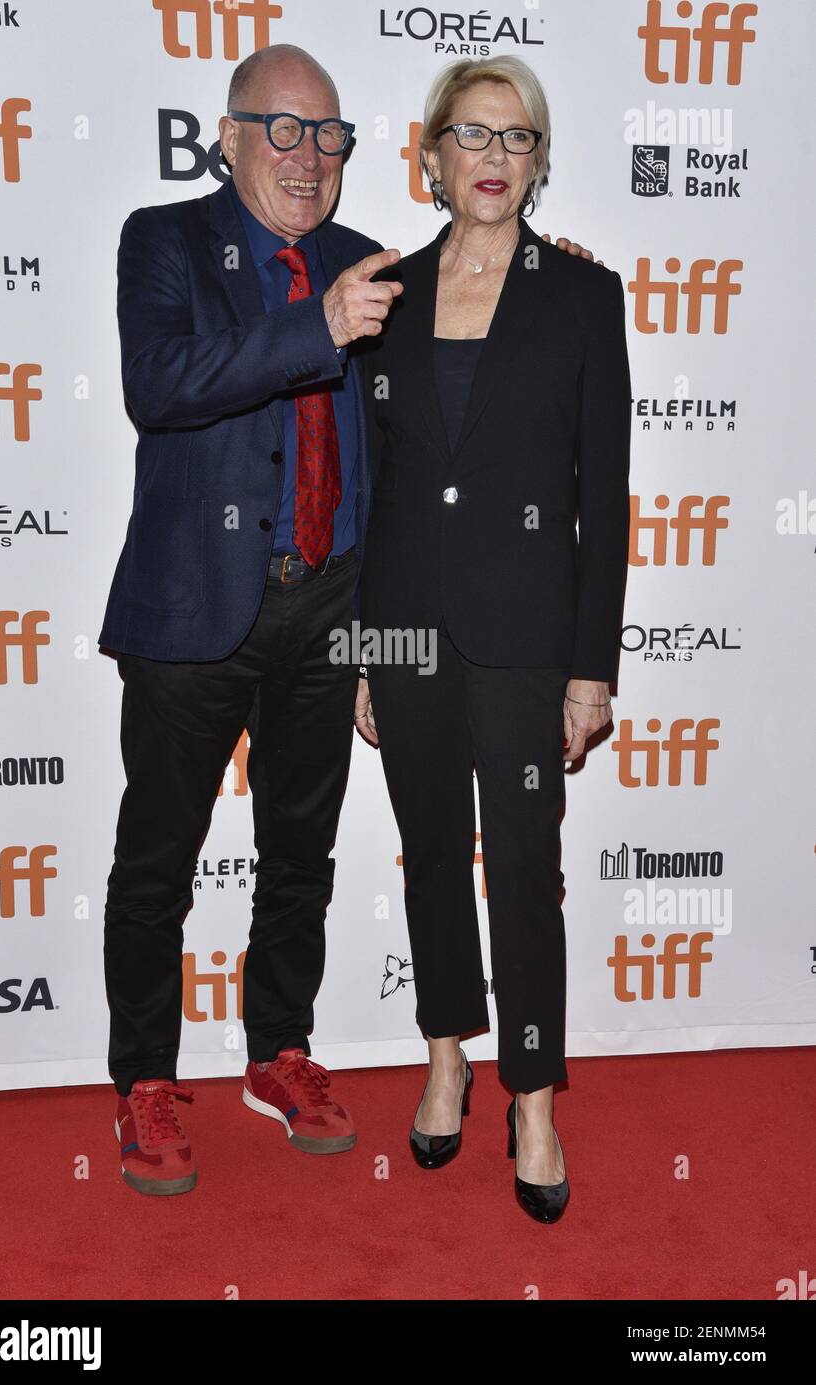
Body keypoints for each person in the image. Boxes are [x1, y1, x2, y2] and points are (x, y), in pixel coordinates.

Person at [99, 42, 596, 1198]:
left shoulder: (370, 264)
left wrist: (550, 277)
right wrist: (314, 326)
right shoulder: (162, 241)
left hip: (330, 610)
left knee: (299, 855)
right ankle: (142, 1079)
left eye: (327, 135)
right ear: (225, 138)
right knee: (156, 861)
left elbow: (467, 370)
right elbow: (158, 384)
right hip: (191, 609)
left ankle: (278, 1050)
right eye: (281, 129)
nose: (307, 155)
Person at [355, 55, 631, 1223]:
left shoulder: (580, 296)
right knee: (428, 852)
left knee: (522, 867)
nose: (493, 158)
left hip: (525, 633)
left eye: (515, 139)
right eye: (471, 136)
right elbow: (378, 486)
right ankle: (444, 1052)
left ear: (538, 160)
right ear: (430, 157)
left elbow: (602, 491)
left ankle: (529, 1092)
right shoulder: (387, 297)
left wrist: (589, 666)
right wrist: (367, 647)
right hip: (408, 627)